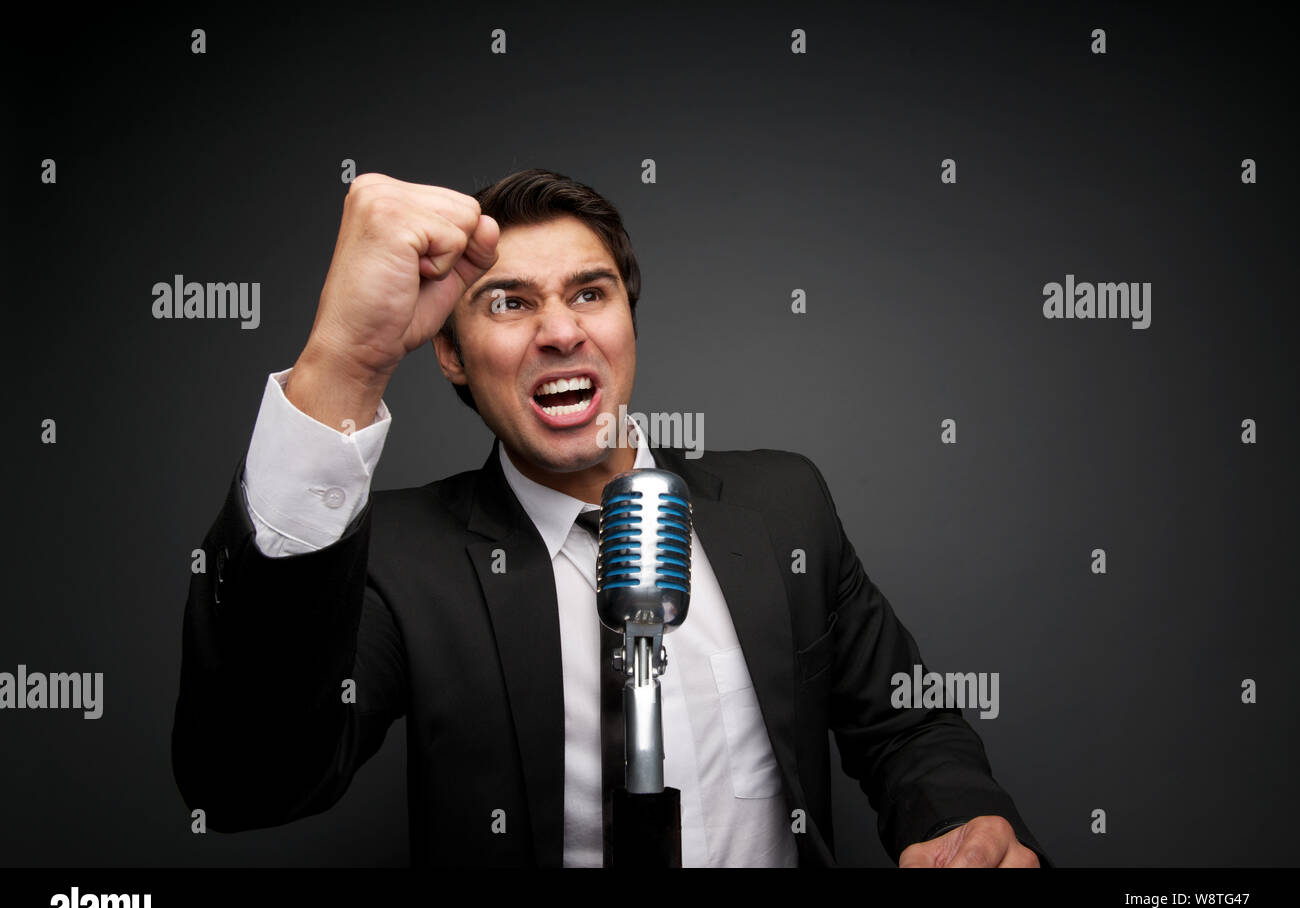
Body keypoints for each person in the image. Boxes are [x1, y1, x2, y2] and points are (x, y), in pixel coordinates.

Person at [172, 168, 1048, 868]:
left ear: (629, 321)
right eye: (509, 302)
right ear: (449, 354)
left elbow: (907, 721)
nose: (560, 331)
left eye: (590, 293)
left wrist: (959, 820)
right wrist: (347, 365)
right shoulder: (404, 555)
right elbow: (250, 780)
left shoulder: (786, 507)